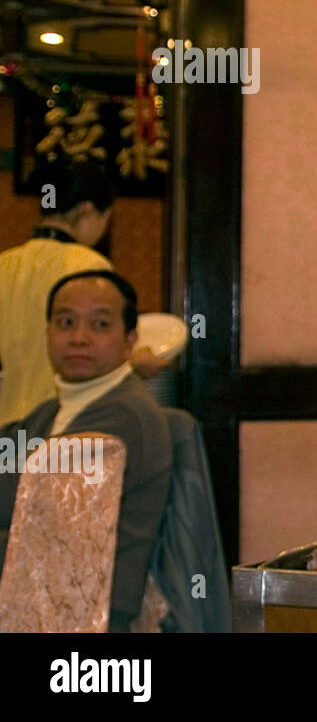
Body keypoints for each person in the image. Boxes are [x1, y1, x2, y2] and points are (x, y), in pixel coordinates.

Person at [0, 270, 172, 631]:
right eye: (65, 322)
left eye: (99, 324)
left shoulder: (124, 416)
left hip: (86, 626)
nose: (79, 337)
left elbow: (30, 513)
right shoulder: (52, 412)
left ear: (130, 341)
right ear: (47, 333)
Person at [0, 161, 166, 424]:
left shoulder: (5, 263)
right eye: (105, 219)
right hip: (61, 421)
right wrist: (135, 362)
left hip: (8, 428)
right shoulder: (89, 266)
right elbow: (93, 355)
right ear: (88, 210)